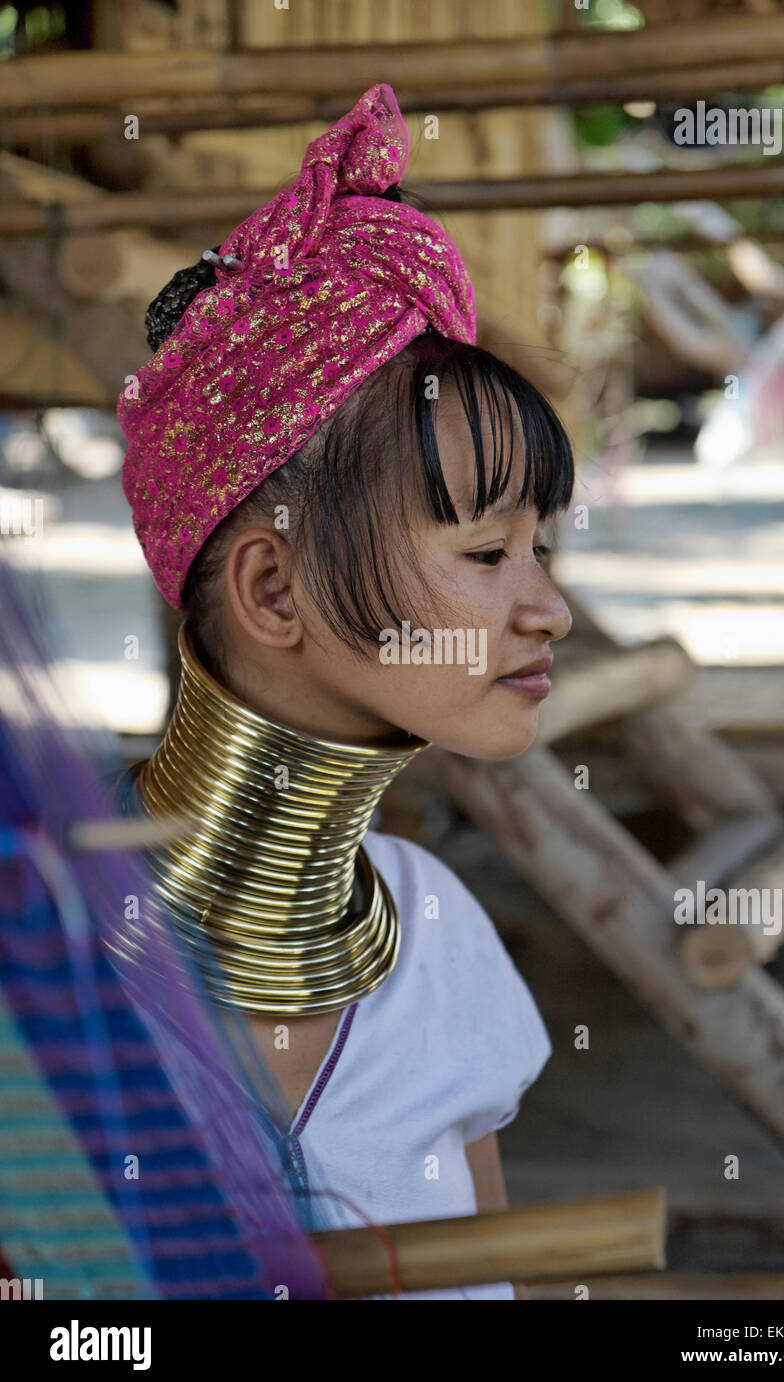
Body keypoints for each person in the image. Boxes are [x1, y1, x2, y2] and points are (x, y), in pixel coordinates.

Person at [116, 82, 575, 1299]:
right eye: (486, 554)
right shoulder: (46, 954)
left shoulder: (435, 941)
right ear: (273, 594)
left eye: (544, 550)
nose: (548, 609)